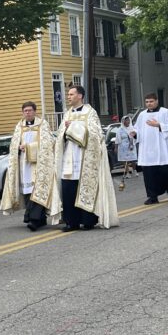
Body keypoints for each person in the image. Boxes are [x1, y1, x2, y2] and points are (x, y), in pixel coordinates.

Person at [49, 83, 118, 231]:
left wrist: (73, 127)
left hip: (85, 158)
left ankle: (88, 220)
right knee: (68, 190)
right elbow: (61, 134)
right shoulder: (67, 114)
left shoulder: (90, 113)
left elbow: (95, 135)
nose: (68, 97)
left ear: (80, 96)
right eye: (68, 95)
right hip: (68, 157)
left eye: (71, 94)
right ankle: (71, 222)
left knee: (86, 188)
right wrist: (64, 133)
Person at [0, 101, 55, 231]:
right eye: (25, 111)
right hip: (24, 164)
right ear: (23, 112)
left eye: (30, 110)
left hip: (39, 164)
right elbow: (13, 144)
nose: (28, 113)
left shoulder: (42, 124)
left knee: (38, 189)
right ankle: (40, 219)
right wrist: (18, 148)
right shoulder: (19, 126)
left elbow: (49, 143)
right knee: (27, 191)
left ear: (35, 111)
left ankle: (33, 218)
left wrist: (30, 147)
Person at [130, 93, 168, 204]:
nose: (149, 104)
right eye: (146, 102)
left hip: (162, 148)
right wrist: (134, 133)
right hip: (147, 150)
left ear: (156, 101)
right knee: (149, 175)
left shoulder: (164, 112)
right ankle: (153, 196)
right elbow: (138, 128)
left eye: (151, 101)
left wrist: (159, 125)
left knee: (165, 172)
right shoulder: (142, 115)